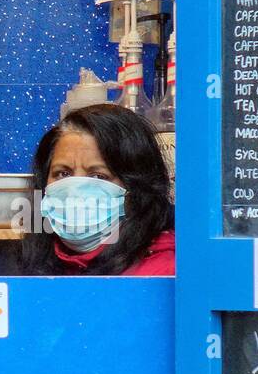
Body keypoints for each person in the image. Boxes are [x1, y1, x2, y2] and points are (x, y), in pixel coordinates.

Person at [20, 103, 175, 276]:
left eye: (98, 176)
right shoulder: (38, 264)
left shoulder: (161, 275)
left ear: (136, 189)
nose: (74, 192)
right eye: (63, 173)